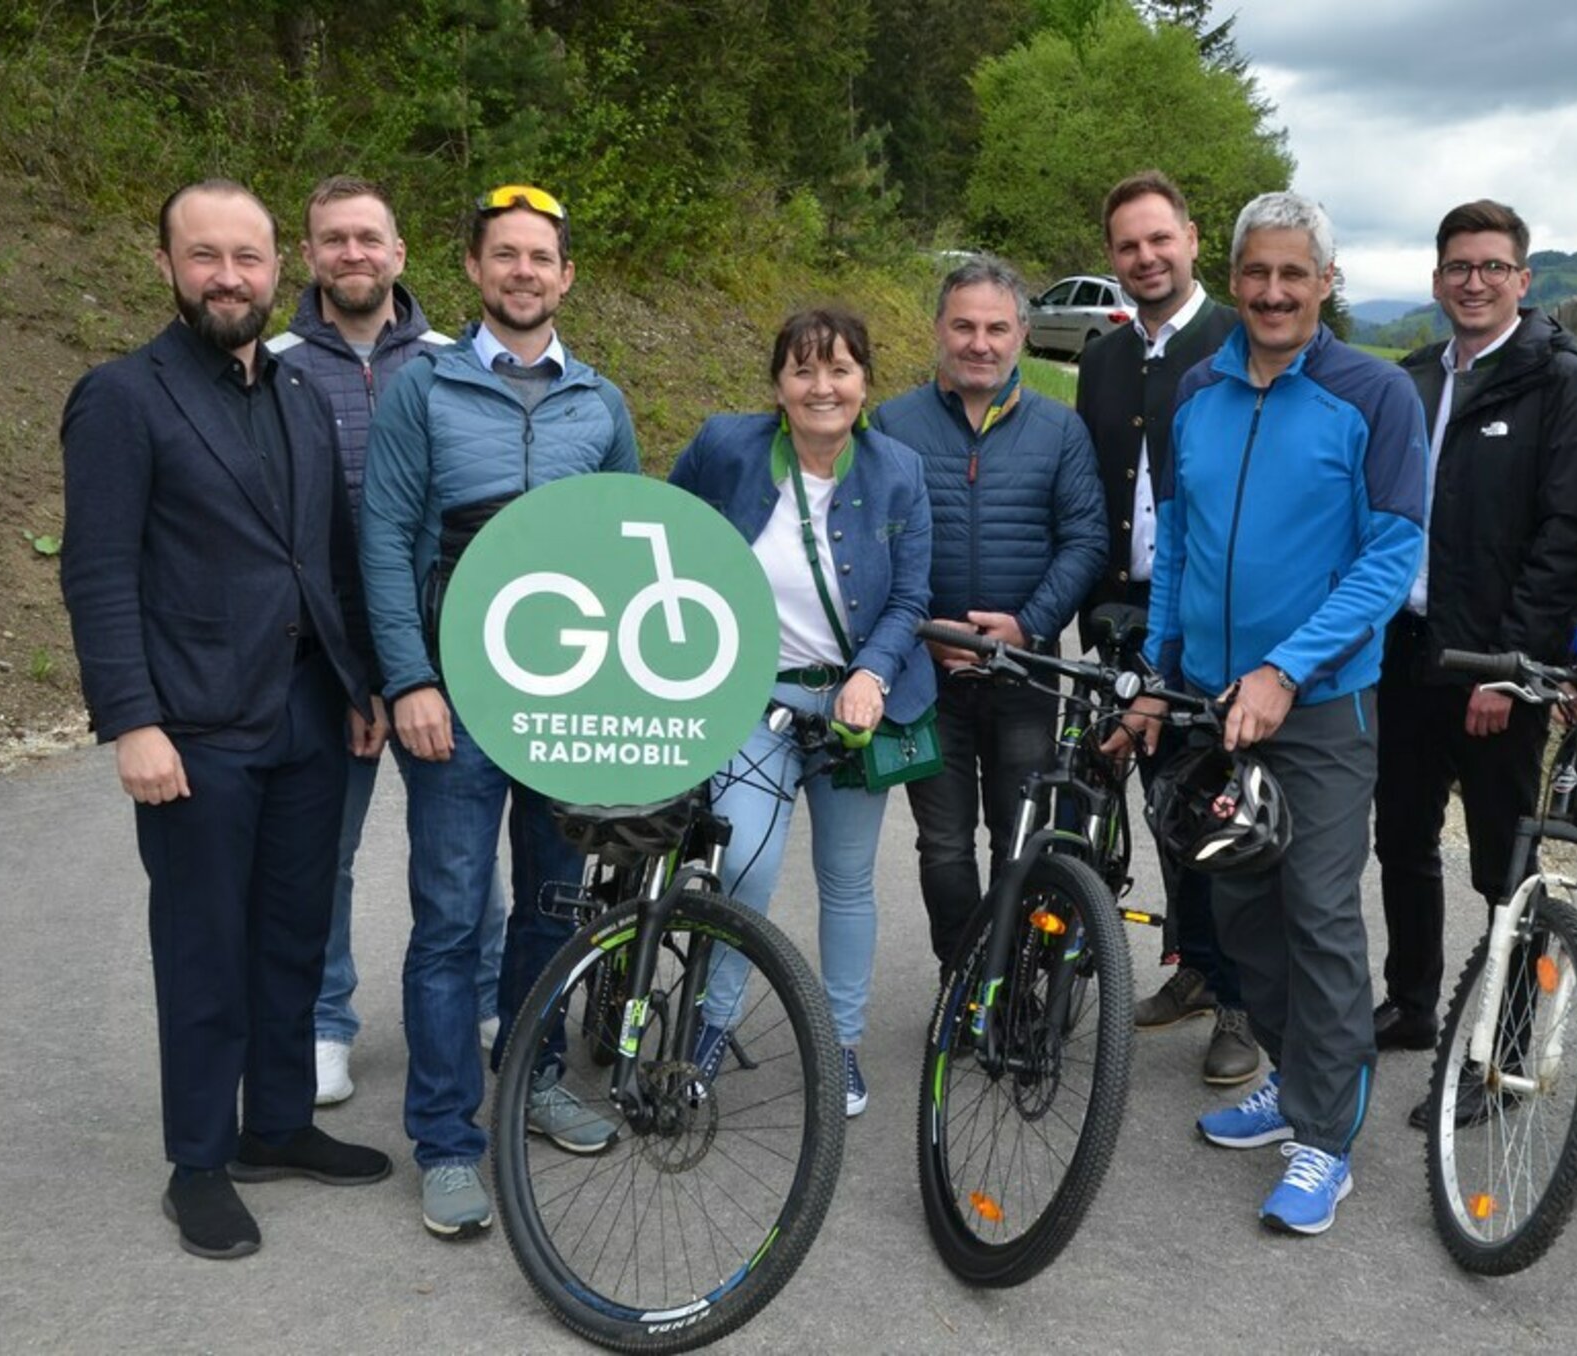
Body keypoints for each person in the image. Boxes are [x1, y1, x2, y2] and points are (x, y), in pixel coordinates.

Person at [60, 179, 393, 1261]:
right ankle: (198, 1161)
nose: (228, 277)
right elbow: (99, 573)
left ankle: (278, 1123)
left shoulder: (295, 391)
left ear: (275, 265)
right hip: (194, 727)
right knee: (204, 948)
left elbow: (326, 553)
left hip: (305, 713)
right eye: (205, 257)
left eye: (247, 258)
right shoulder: (123, 396)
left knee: (294, 934)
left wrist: (357, 686)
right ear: (167, 265)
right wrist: (132, 723)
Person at [1116, 191, 1424, 1236]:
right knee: (1241, 913)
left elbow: (1390, 554)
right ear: (1234, 276)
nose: (1273, 291)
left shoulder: (1370, 395)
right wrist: (1162, 672)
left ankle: (1324, 1140)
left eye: (1295, 274)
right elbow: (1179, 549)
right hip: (1209, 703)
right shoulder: (1197, 392)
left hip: (1319, 704)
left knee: (1318, 915)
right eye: (1257, 273)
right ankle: (1296, 1082)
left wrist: (1285, 669)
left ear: (1325, 283)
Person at [359, 184, 641, 1240]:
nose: (524, 272)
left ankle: (530, 1083)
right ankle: (442, 1139)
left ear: (565, 277)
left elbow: (622, 552)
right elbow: (385, 542)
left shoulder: (598, 404)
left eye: (542, 258)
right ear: (473, 271)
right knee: (447, 918)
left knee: (553, 907)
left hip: (567, 705)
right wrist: (409, 680)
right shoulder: (421, 389)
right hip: (456, 700)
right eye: (504, 256)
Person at [1371, 200, 1577, 1128]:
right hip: (1408, 651)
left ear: (1524, 278)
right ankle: (1413, 1003)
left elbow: (1570, 536)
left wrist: (1513, 667)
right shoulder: (1410, 379)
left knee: (1503, 870)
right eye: (1458, 267)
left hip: (1498, 667)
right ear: (1437, 280)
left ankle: (1501, 1050)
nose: (1474, 282)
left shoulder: (1561, 384)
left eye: (1493, 266)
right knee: (1400, 839)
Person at [268, 174, 509, 1108]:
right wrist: (357, 671)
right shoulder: (277, 360)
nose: (353, 254)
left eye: (370, 237)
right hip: (322, 656)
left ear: (400, 254)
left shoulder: (456, 361)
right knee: (323, 852)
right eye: (334, 239)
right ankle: (328, 1021)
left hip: (446, 654)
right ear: (310, 254)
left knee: (462, 847)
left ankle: (490, 1000)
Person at [669, 307, 937, 1117]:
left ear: (865, 381)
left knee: (847, 882)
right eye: (804, 370)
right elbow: (665, 533)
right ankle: (713, 1026)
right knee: (743, 864)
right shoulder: (726, 447)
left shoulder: (899, 471)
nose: (823, 387)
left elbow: (914, 597)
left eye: (841, 369)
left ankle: (840, 1043)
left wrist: (874, 672)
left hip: (854, 703)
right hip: (752, 696)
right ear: (778, 383)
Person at [871, 256, 1107, 965]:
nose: (980, 342)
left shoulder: (1060, 430)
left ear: (1022, 335)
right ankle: (962, 978)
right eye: (964, 325)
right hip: (926, 677)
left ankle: (1012, 987)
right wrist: (922, 633)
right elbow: (872, 543)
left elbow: (1085, 539)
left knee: (1021, 837)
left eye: (996, 328)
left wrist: (1027, 625)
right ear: (938, 330)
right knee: (942, 844)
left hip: (1024, 675)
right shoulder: (891, 423)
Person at [1074, 170, 1255, 1086]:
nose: (1146, 258)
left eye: (1160, 240)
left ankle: (1240, 1004)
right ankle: (1192, 970)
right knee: (1156, 803)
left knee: (1216, 808)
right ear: (1112, 256)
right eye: (1128, 246)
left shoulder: (1238, 342)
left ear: (1191, 236)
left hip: (1211, 618)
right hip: (1120, 613)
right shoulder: (1103, 360)